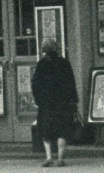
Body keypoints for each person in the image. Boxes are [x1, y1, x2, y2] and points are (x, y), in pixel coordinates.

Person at [32, 40, 79, 168]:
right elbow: (71, 83)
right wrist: (74, 100)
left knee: (45, 130)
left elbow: (35, 84)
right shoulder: (64, 63)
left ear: (44, 50)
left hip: (46, 103)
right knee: (62, 129)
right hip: (62, 102)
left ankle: (48, 158)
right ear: (56, 49)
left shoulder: (41, 64)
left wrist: (38, 100)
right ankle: (60, 158)